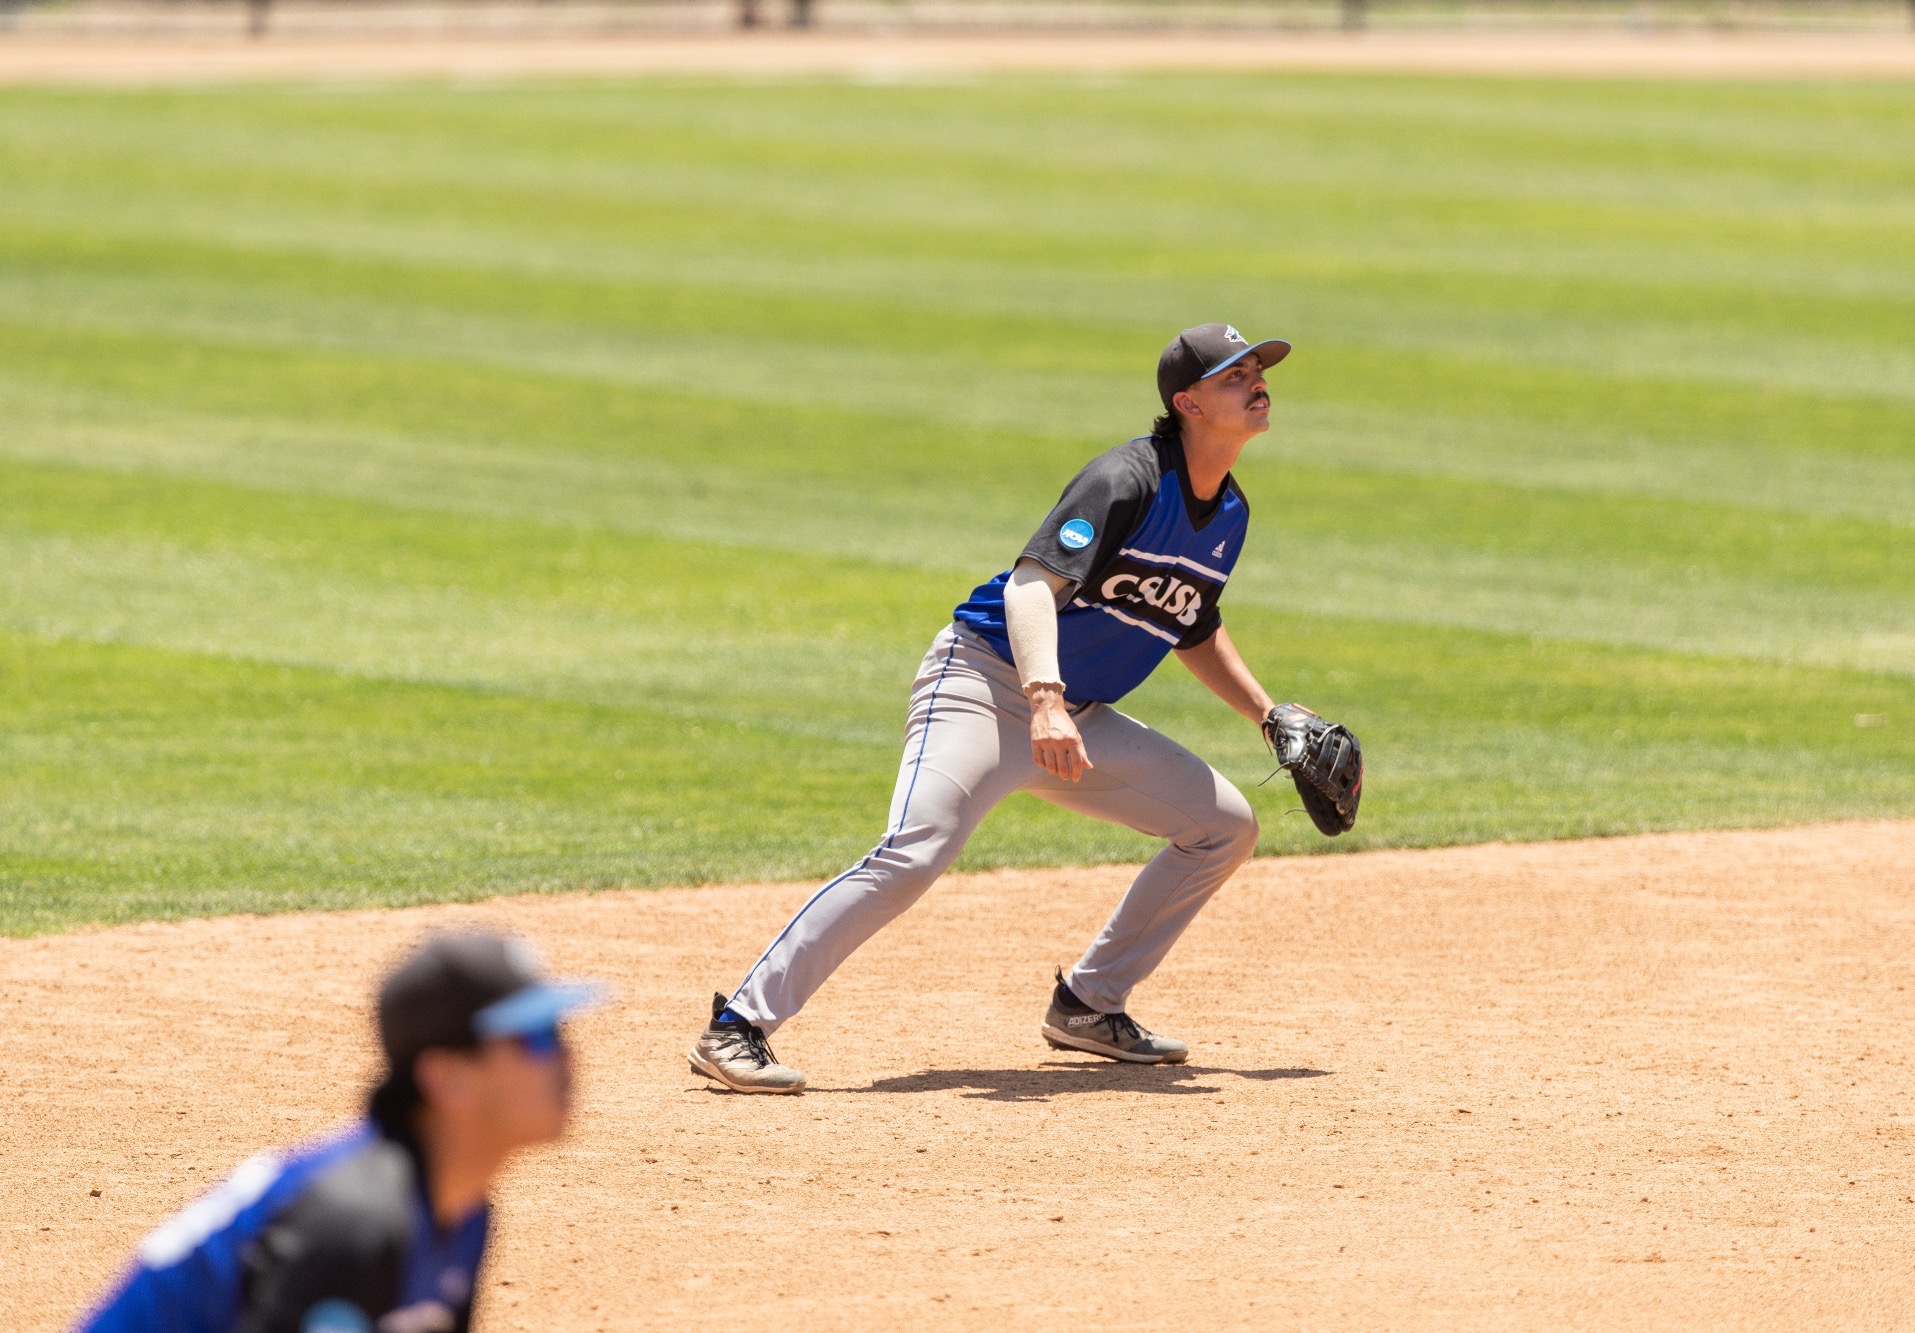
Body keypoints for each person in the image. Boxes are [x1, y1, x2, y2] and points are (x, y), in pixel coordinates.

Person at [691, 323, 1312, 1094]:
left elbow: (1191, 624)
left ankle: (1089, 1003)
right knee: (913, 852)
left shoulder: (1229, 515)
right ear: (1187, 402)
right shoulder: (1126, 479)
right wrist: (1044, 698)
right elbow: (1028, 587)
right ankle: (737, 1025)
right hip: (983, 685)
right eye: (1233, 375)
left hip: (1073, 718)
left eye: (1257, 368)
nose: (1256, 380)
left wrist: (1266, 714)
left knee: (1225, 826)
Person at [77, 929, 605, 1333]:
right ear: (446, 1078)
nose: (565, 1057)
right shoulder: (353, 1225)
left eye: (559, 1030)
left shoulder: (461, 1209)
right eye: (535, 1038)